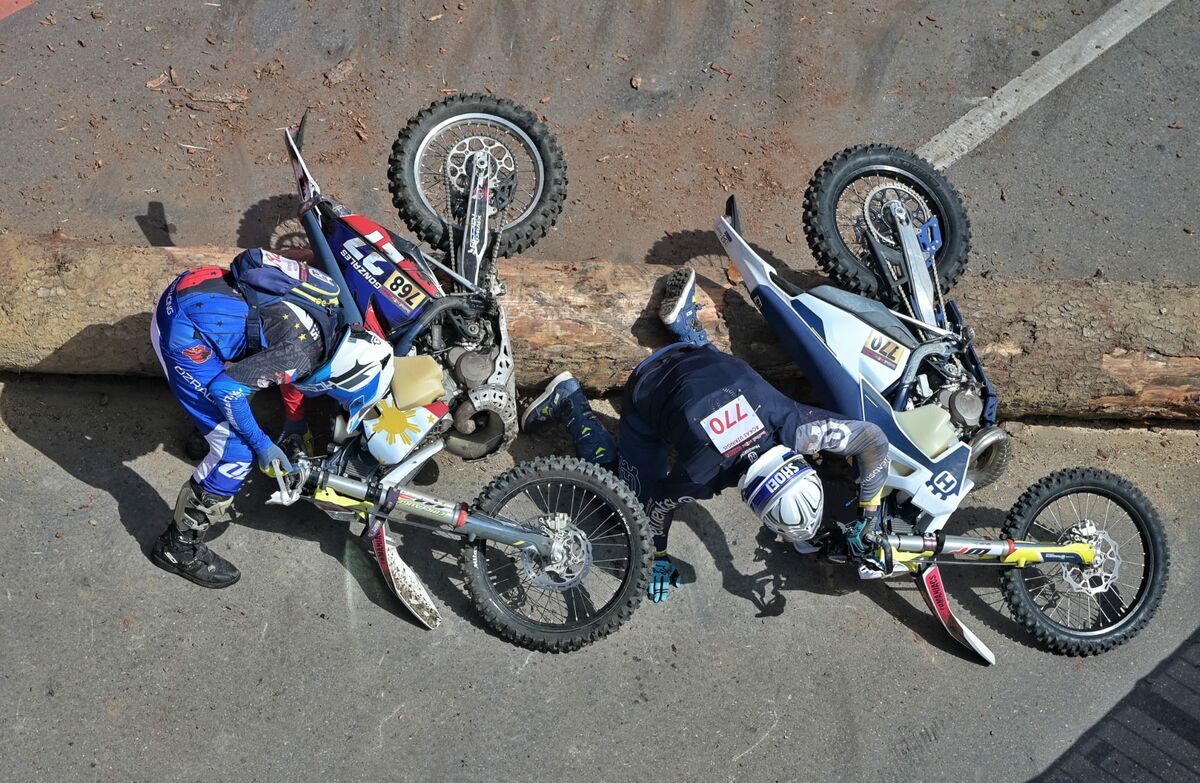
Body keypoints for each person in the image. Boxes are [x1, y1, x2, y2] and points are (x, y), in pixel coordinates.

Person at [522, 268, 891, 602]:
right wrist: (657, 555)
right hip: (646, 386)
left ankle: (688, 329)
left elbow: (872, 439)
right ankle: (571, 403)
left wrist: (869, 515)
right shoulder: (702, 475)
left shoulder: (796, 426)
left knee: (731, 384)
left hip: (702, 359)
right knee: (621, 504)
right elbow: (655, 508)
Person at [150, 249, 389, 588]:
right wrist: (262, 445)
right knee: (237, 453)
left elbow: (286, 362)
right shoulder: (300, 356)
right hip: (184, 333)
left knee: (248, 368)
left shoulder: (332, 313)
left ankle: (205, 430)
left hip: (198, 288)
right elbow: (228, 390)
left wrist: (295, 421)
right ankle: (177, 548)